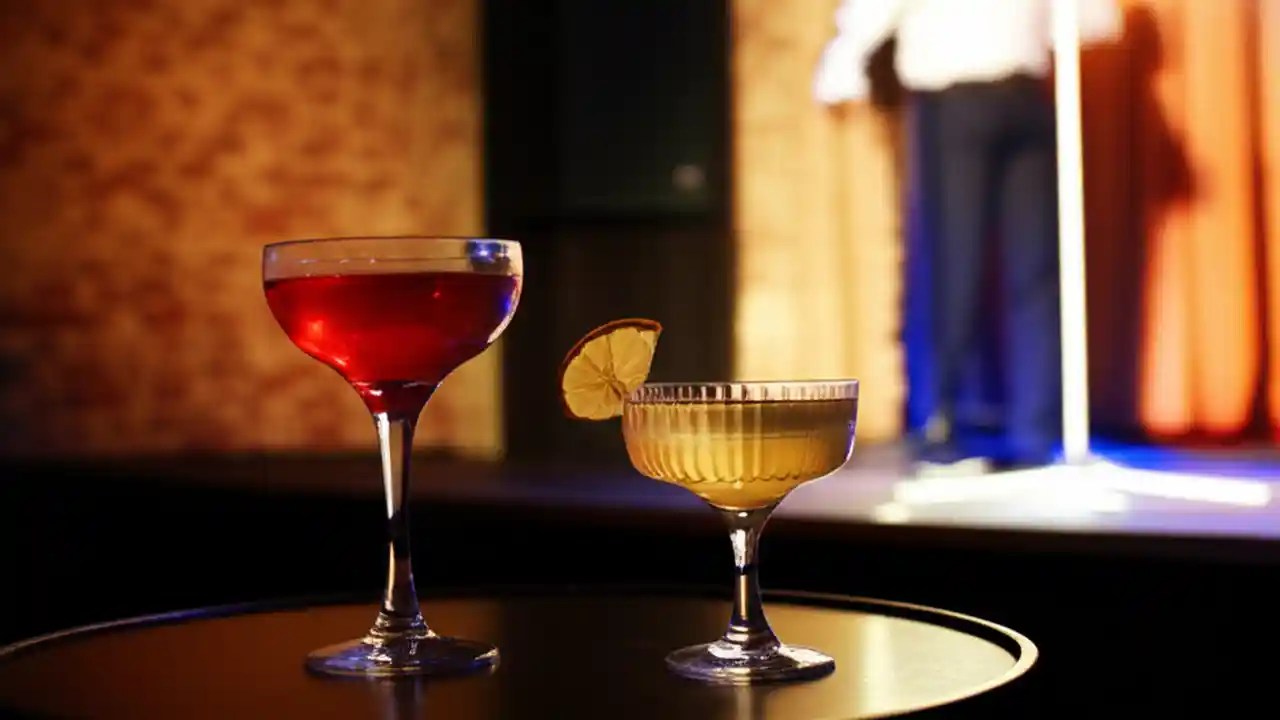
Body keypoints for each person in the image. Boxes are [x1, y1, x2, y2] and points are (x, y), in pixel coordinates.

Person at [815, 0, 1120, 472]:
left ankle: (1034, 430)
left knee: (1035, 269)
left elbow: (1092, 24)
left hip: (1025, 96)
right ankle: (940, 423)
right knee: (952, 263)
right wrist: (846, 54)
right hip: (953, 99)